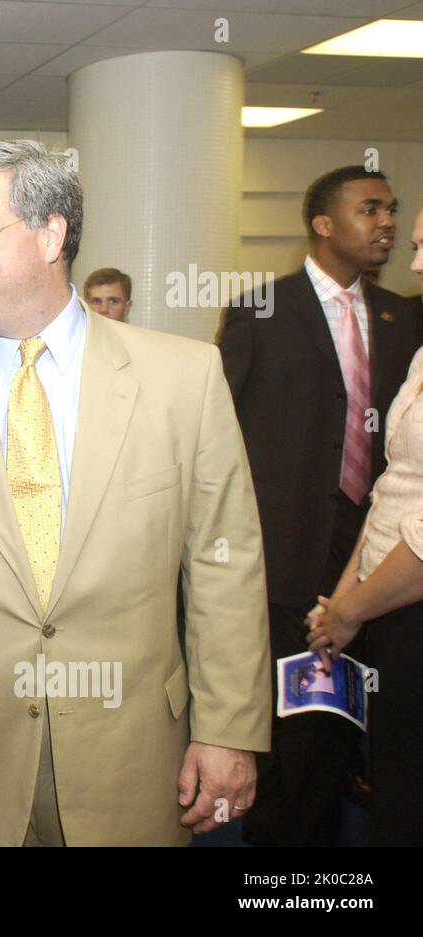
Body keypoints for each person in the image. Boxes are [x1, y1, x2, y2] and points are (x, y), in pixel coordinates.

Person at [0, 139, 270, 846]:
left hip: (131, 752)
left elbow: (225, 564)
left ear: (51, 232)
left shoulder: (184, 379)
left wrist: (228, 728)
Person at [218, 165, 420, 847]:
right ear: (323, 223)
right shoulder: (259, 310)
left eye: (392, 210)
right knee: (293, 742)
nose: (387, 223)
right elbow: (223, 440)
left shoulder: (404, 317)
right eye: (370, 209)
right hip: (285, 564)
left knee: (362, 743)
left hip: (383, 567)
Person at [304, 201, 423, 846]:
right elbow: (391, 489)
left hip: (406, 598)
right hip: (390, 602)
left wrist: (353, 611)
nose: (415, 263)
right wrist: (346, 596)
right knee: (397, 787)